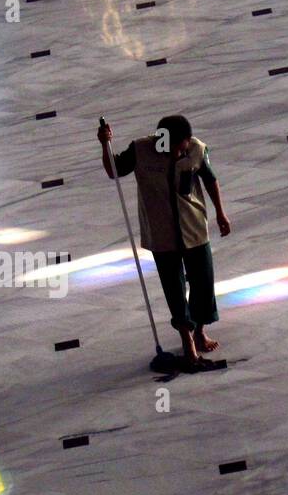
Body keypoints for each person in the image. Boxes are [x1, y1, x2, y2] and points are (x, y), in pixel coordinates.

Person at [98, 115, 231, 371]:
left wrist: (220, 213)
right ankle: (186, 341)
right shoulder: (141, 150)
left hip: (193, 228)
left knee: (203, 283)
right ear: (162, 140)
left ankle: (199, 332)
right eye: (175, 146)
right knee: (174, 289)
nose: (179, 151)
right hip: (162, 234)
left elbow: (210, 179)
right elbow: (114, 170)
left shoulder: (196, 150)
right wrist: (106, 144)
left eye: (183, 146)